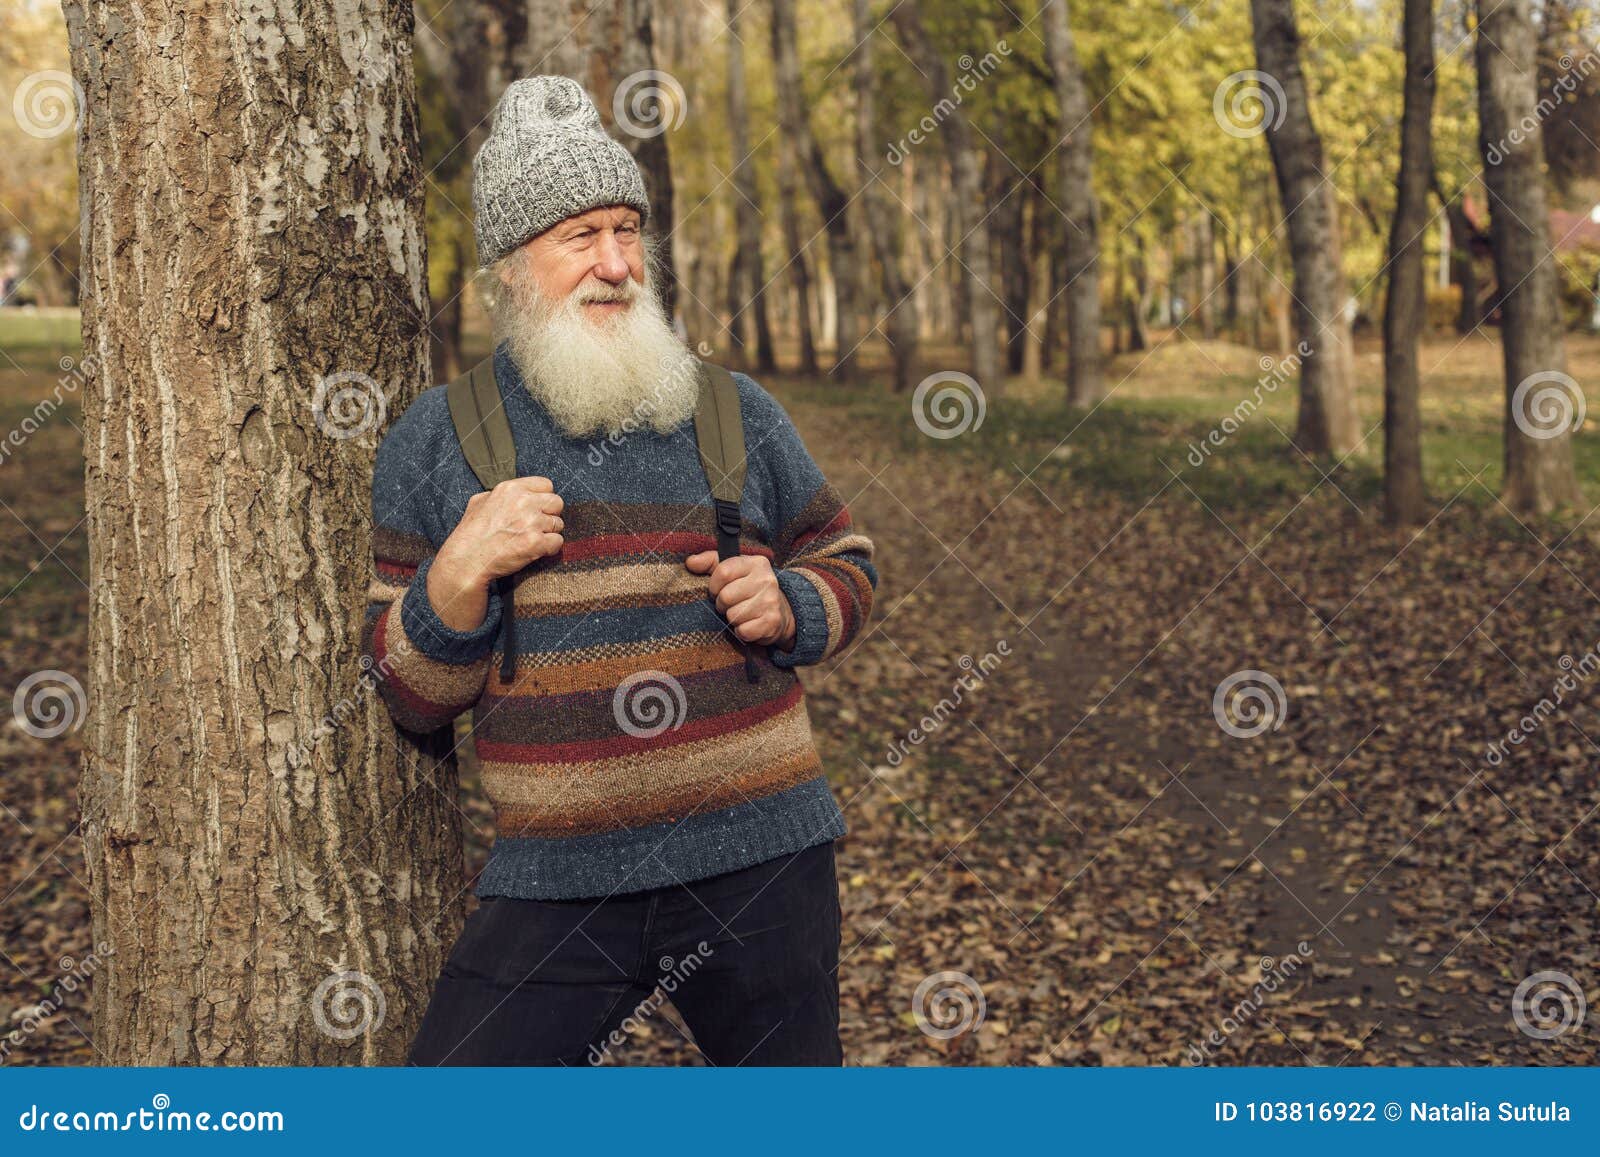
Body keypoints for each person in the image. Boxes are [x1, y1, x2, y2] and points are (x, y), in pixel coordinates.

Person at [361, 75, 878, 1066]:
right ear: (512, 266)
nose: (617, 264)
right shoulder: (436, 439)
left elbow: (844, 557)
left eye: (628, 229)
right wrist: (457, 573)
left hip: (761, 861)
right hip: (557, 879)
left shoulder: (731, 407)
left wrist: (794, 603)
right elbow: (411, 699)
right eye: (580, 235)